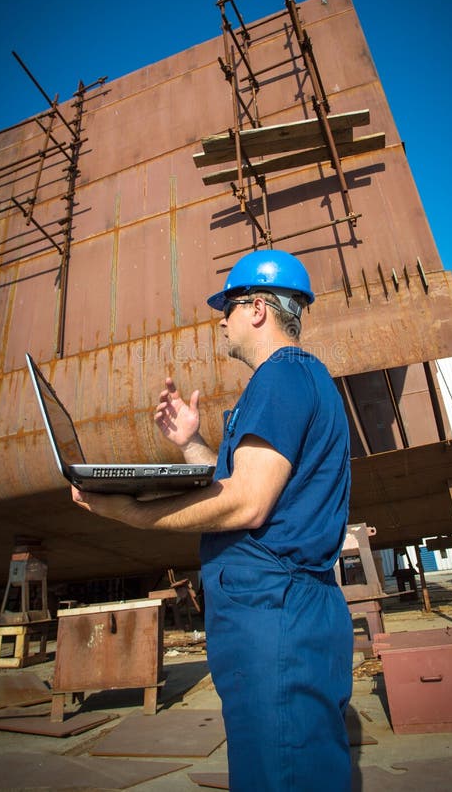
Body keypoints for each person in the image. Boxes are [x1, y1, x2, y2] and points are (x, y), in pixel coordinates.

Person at [71, 249, 353, 791]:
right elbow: (245, 480)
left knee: (283, 775)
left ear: (256, 309)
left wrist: (133, 512)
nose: (220, 320)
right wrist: (193, 443)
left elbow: (247, 502)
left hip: (277, 614)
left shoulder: (282, 377)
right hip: (280, 614)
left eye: (227, 306)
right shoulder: (295, 381)